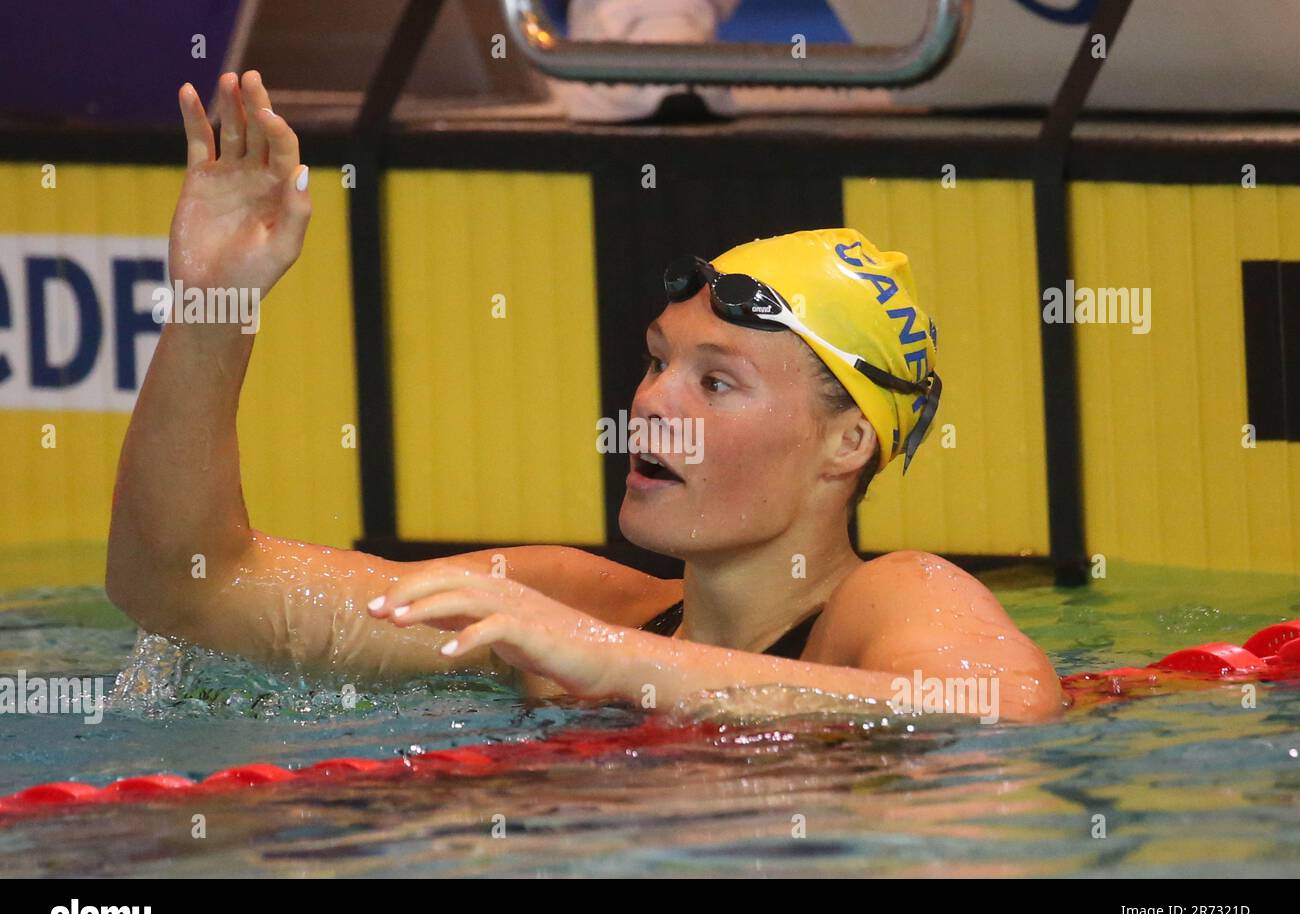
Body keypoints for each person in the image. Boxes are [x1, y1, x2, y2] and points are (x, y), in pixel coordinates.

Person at [106, 72, 1063, 724]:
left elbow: (998, 709)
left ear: (847, 442)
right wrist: (212, 301)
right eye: (658, 361)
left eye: (715, 381)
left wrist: (612, 663)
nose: (650, 402)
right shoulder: (570, 600)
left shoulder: (892, 597)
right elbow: (186, 589)